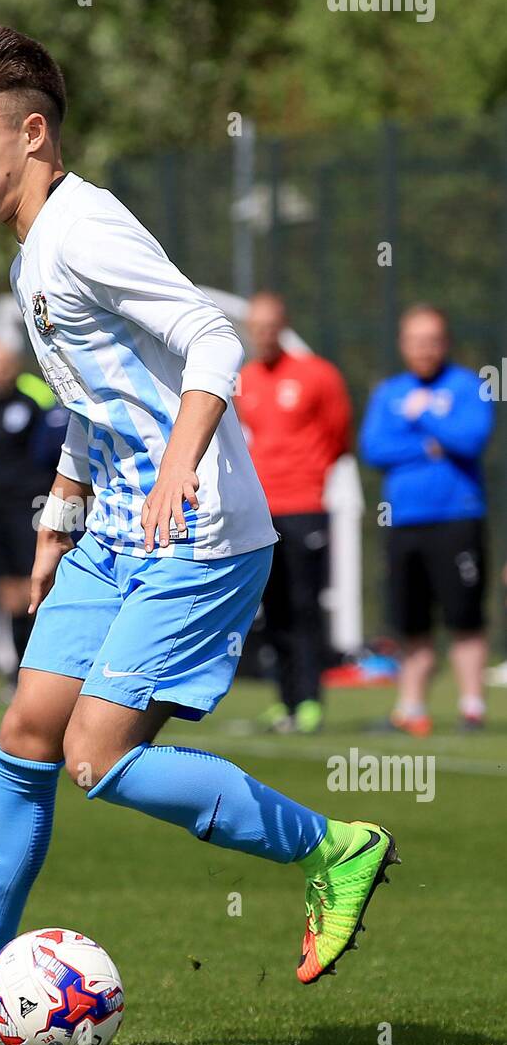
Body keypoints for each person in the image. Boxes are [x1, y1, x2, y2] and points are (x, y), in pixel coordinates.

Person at [0, 25, 399, 1045]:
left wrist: (175, 465)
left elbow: (211, 337)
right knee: (26, 731)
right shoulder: (33, 254)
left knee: (94, 754)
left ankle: (333, 847)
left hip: (197, 534)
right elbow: (92, 406)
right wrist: (59, 518)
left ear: (32, 133)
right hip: (111, 534)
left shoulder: (86, 230)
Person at [360, 304, 495, 734]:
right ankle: (411, 708)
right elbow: (374, 448)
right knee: (412, 621)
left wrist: (425, 415)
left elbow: (471, 439)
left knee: (464, 617)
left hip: (457, 519)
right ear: (403, 344)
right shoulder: (389, 392)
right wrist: (428, 446)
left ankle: (471, 707)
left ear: (445, 342)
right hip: (403, 523)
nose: (425, 349)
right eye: (416, 341)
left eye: (432, 341)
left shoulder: (468, 386)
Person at [235, 293, 353, 734]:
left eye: (270, 326)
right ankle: (285, 700)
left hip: (305, 509)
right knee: (273, 609)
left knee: (305, 607)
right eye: (256, 327)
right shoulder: (245, 380)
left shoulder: (318, 375)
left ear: (283, 326)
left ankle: (310, 702)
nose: (263, 335)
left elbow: (339, 436)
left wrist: (309, 476)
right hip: (261, 514)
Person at [0, 333, 68, 694]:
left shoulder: (36, 394)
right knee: (7, 590)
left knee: (35, 587)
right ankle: (16, 673)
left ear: (13, 365)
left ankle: (43, 672)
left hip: (31, 506)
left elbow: (59, 444)